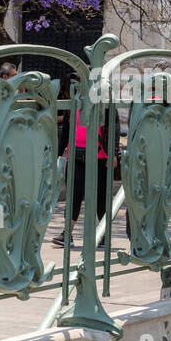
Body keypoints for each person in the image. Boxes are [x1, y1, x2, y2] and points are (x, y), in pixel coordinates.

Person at [53, 100, 123, 248]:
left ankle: (103, 234)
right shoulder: (75, 100)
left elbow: (114, 127)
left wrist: (114, 153)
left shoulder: (104, 99)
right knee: (73, 194)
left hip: (100, 156)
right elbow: (66, 130)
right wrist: (58, 154)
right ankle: (67, 234)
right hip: (75, 156)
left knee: (101, 197)